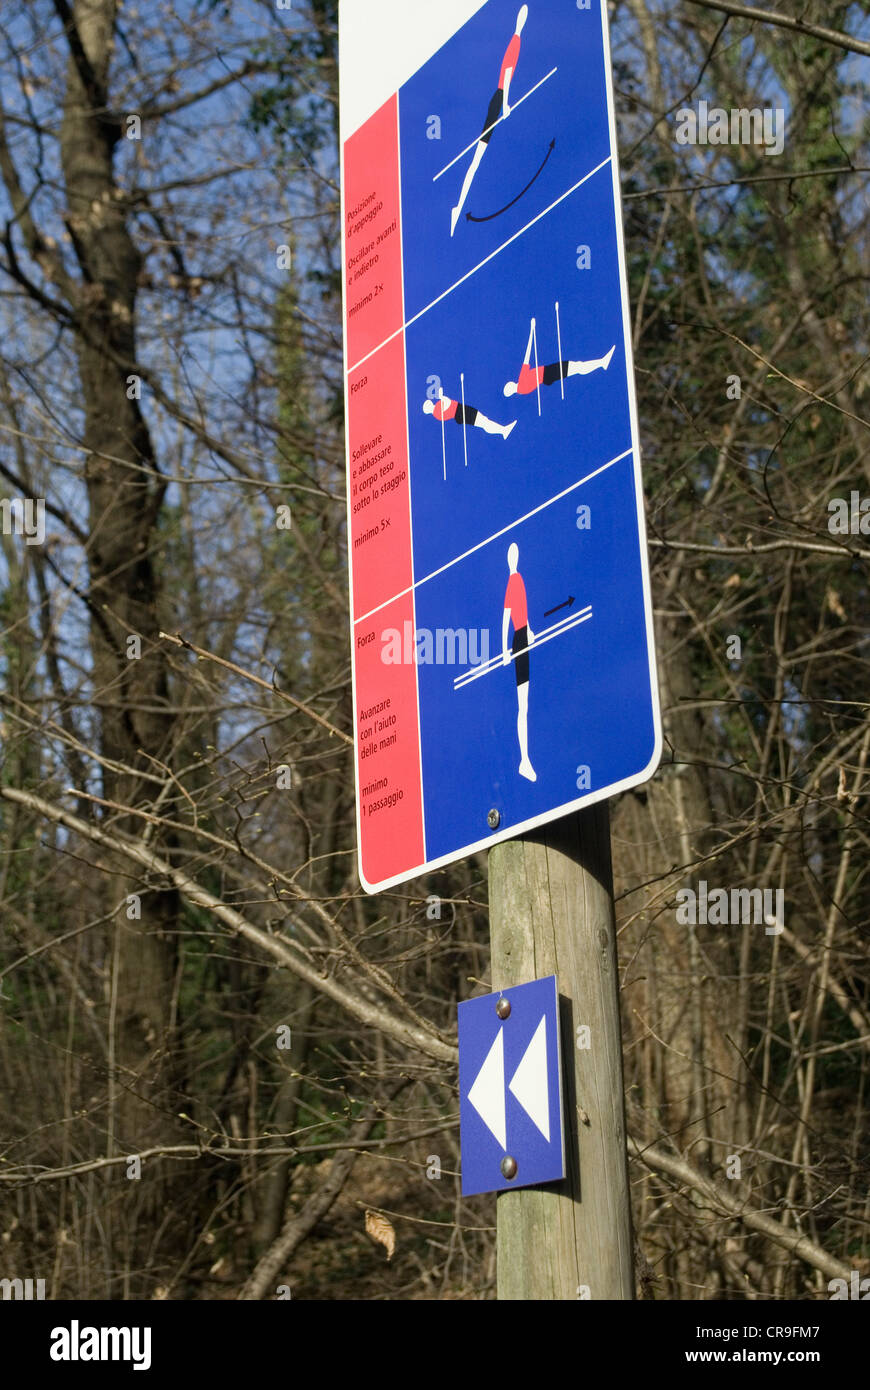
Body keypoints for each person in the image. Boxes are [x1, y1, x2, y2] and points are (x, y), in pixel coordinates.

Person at [451, 5, 529, 237]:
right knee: (476, 159)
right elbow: (506, 74)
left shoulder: (516, 40)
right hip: (497, 100)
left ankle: (460, 203)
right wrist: (505, 105)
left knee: (478, 160)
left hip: (497, 99)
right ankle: (458, 205)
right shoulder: (515, 43)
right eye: (522, 18)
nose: (523, 20)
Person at [503, 317, 615, 396]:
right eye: (508, 386)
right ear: (510, 388)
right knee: (577, 367)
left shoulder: (522, 390)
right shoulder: (521, 383)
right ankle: (602, 363)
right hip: (547, 373)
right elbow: (527, 356)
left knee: (577, 367)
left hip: (547, 376)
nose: (509, 383)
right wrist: (532, 330)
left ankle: (601, 363)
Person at [502, 541, 536, 781]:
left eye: (516, 554)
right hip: (517, 640)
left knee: (527, 703)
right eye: (511, 556)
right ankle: (524, 760)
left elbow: (523, 609)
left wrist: (530, 630)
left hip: (524, 634)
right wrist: (504, 648)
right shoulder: (512, 582)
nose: (514, 558)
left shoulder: (520, 578)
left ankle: (526, 759)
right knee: (522, 704)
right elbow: (506, 615)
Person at [423, 394, 516, 440]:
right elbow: (448, 403)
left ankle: (502, 430)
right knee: (484, 422)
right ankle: (503, 430)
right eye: (429, 404)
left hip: (460, 410)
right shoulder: (436, 413)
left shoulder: (437, 410)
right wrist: (442, 397)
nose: (431, 403)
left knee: (484, 421)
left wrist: (442, 397)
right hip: (459, 412)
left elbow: (448, 402)